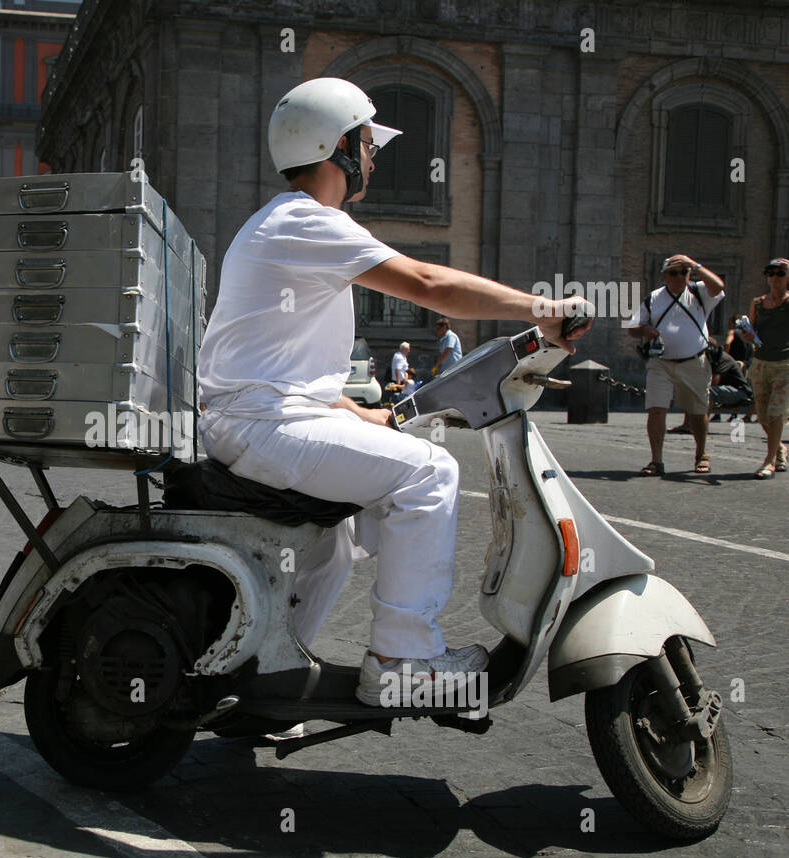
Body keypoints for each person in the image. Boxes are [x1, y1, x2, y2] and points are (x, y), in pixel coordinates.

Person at [196, 77, 590, 708]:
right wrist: (540, 308)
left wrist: (364, 412)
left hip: (259, 417)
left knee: (339, 536)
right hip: (258, 424)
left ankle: (267, 673)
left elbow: (289, 369)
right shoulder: (308, 222)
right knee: (429, 473)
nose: (373, 159)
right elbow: (429, 282)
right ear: (340, 146)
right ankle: (403, 659)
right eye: (367, 143)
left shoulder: (287, 224)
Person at [624, 255, 725, 476]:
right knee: (657, 410)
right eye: (674, 272)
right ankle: (656, 461)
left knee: (697, 412)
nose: (679, 276)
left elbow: (718, 286)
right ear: (664, 276)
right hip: (661, 362)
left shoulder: (699, 292)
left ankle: (701, 455)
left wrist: (695, 264)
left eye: (684, 272)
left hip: (694, 361)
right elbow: (632, 327)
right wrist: (644, 330)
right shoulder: (654, 298)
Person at [739, 257, 789, 479]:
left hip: (785, 365)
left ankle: (768, 461)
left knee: (776, 412)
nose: (774, 278)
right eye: (771, 273)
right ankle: (779, 449)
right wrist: (748, 336)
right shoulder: (758, 303)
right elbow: (752, 335)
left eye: (780, 273)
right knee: (762, 415)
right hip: (760, 363)